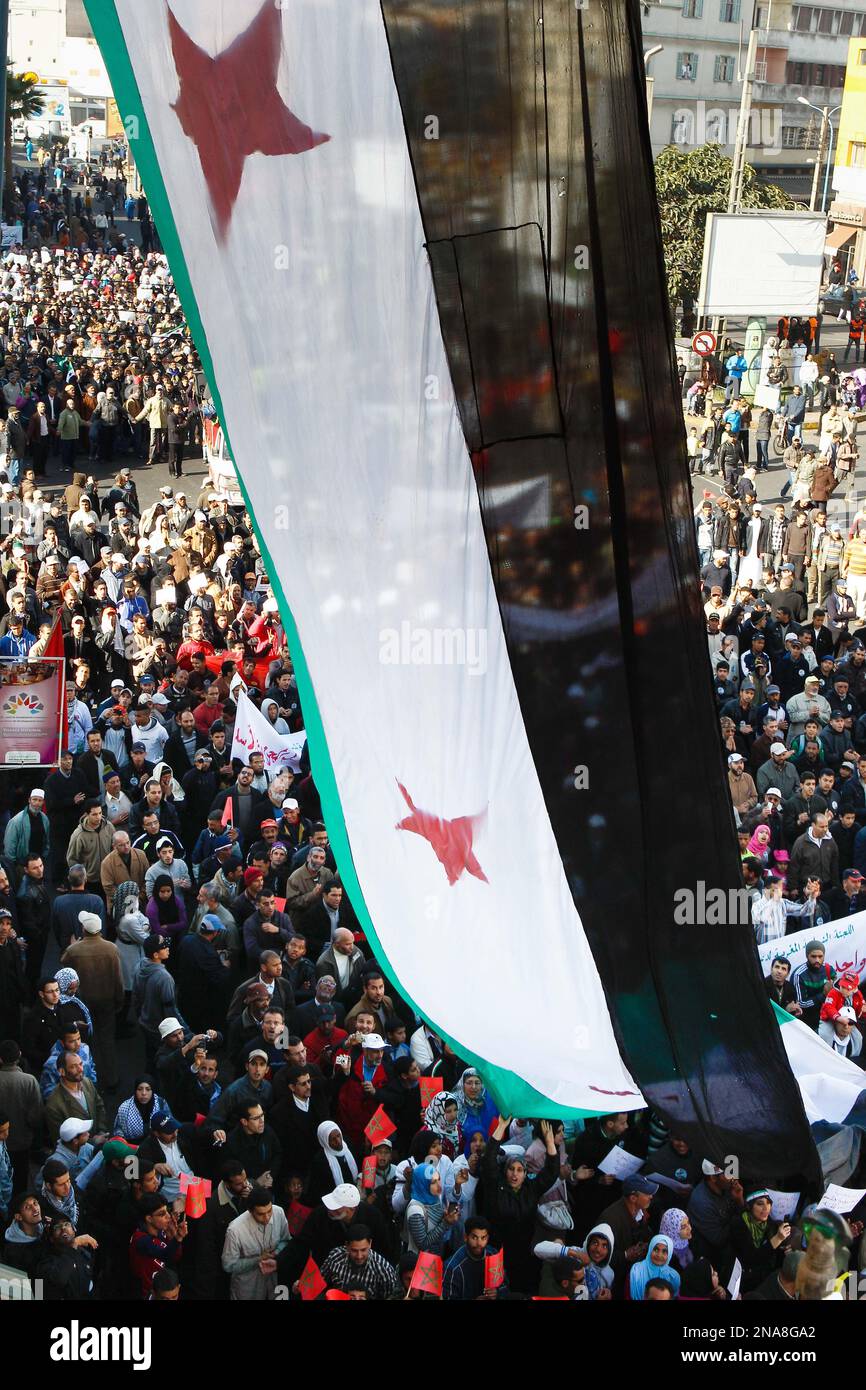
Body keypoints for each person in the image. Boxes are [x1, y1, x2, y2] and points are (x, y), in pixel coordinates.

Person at [221, 1184, 289, 1300]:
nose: (267, 1218)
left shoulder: (279, 1213)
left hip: (273, 1282)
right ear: (250, 1211)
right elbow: (228, 1266)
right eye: (261, 1214)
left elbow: (286, 1240)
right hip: (247, 1288)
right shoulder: (235, 1230)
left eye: (269, 1211)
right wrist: (258, 1259)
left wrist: (276, 1252)